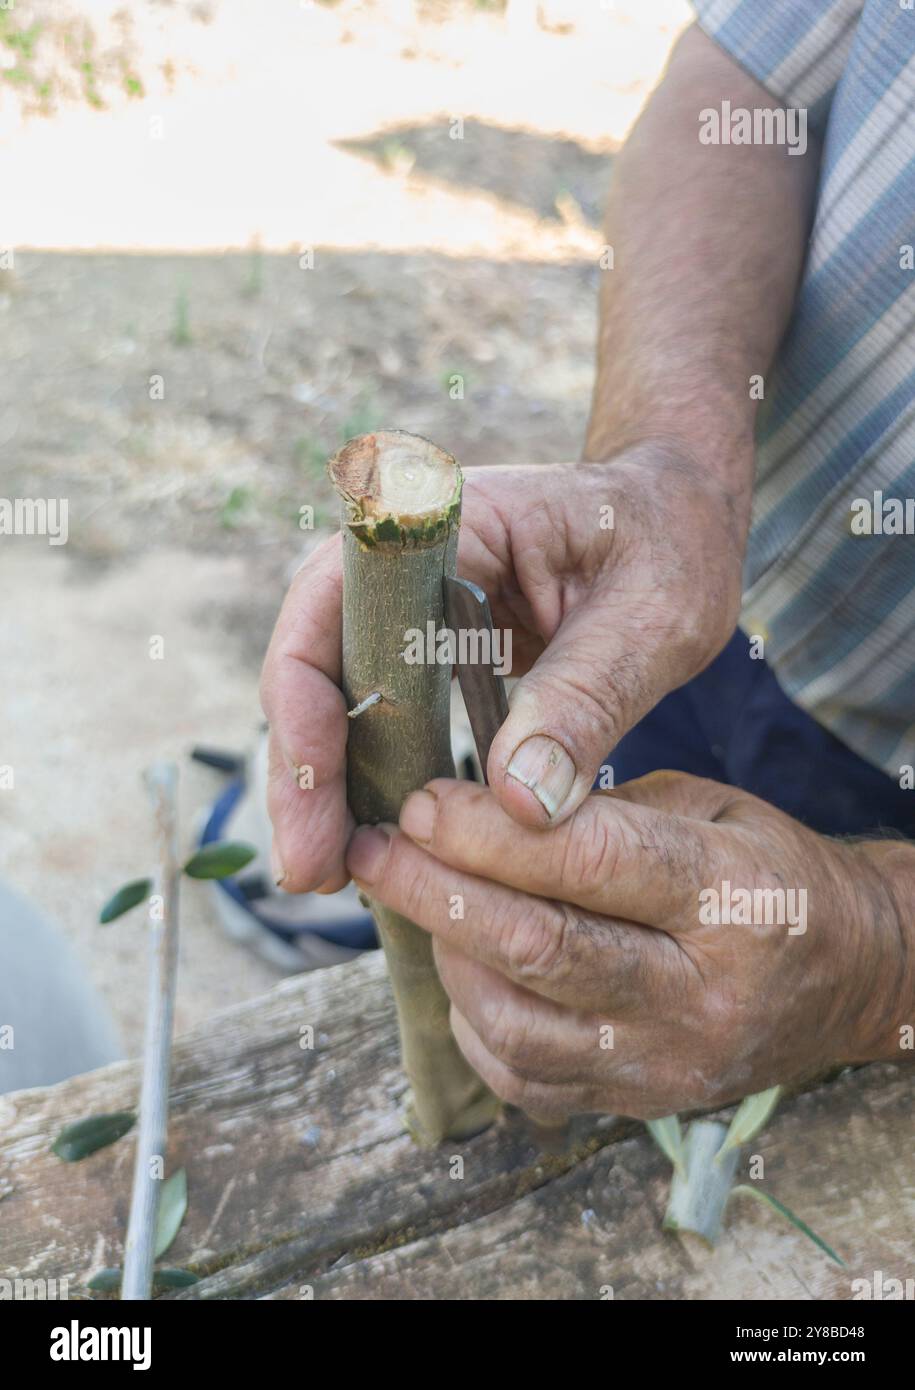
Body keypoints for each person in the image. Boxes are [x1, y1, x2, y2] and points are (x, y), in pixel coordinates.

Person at [260, 1, 915, 1122]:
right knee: (548, 948)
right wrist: (672, 467)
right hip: (682, 620)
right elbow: (744, 82)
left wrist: (883, 952)